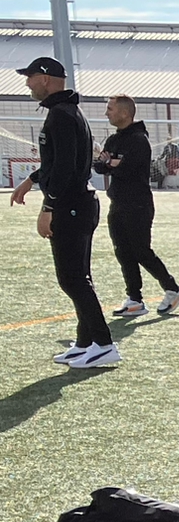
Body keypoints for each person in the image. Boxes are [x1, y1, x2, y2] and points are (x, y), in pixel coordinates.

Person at [8, 57, 114, 369]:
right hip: (78, 203)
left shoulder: (62, 115)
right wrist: (31, 180)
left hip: (70, 205)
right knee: (78, 277)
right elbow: (58, 161)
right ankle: (85, 343)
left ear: (45, 78)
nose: (27, 83)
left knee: (72, 279)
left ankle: (104, 343)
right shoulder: (66, 112)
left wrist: (49, 206)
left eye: (30, 77)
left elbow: (66, 167)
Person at [95, 94, 179, 322]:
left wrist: (111, 164)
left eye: (110, 109)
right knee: (123, 252)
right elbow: (99, 166)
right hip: (117, 202)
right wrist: (109, 164)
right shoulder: (113, 140)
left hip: (137, 205)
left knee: (141, 251)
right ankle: (134, 300)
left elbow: (127, 170)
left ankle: (173, 288)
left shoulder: (138, 140)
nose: (106, 113)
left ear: (125, 113)